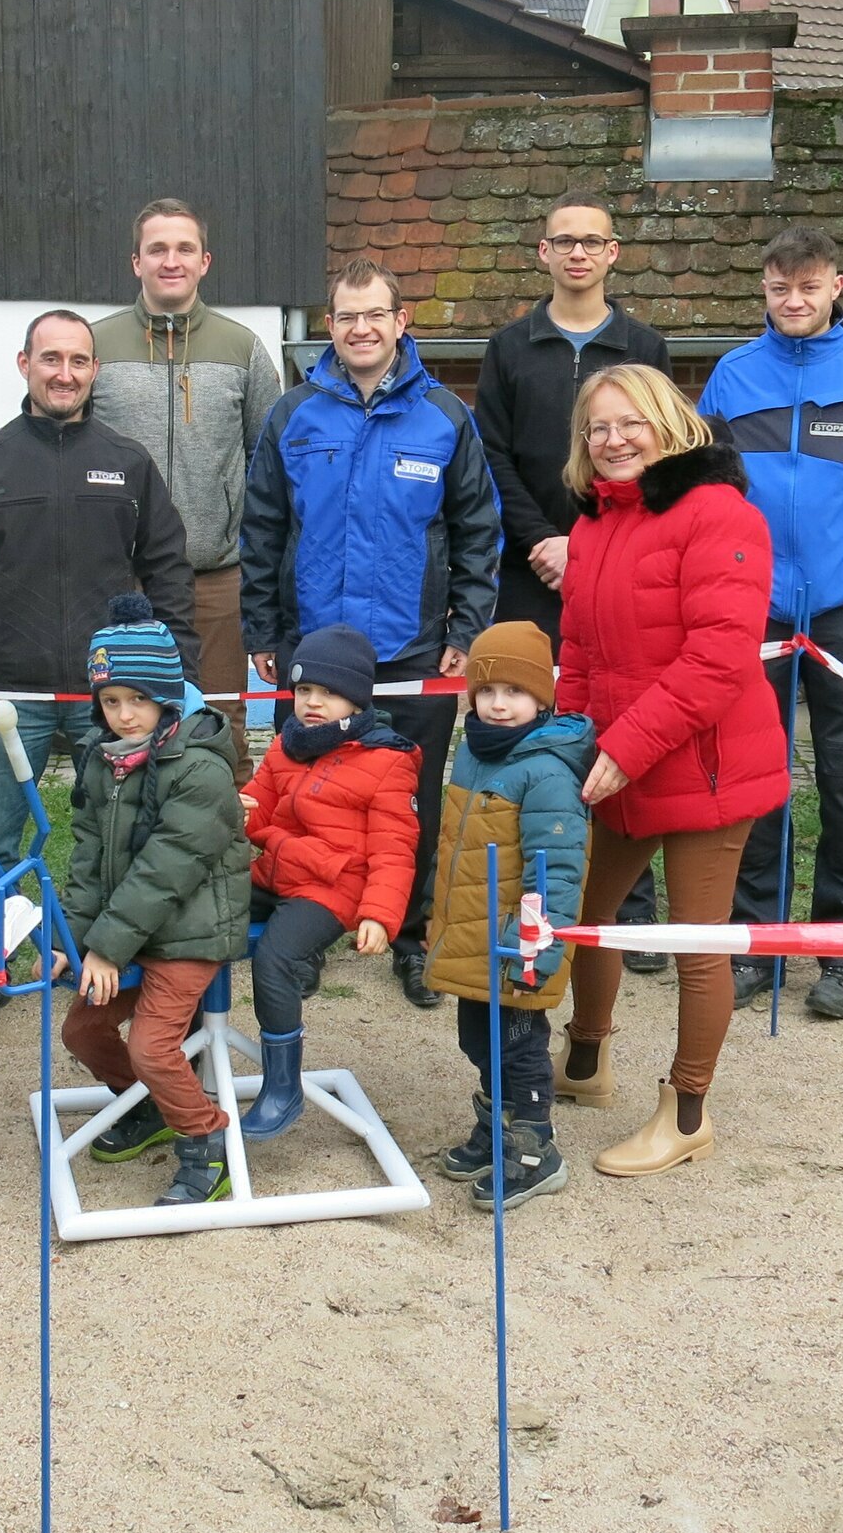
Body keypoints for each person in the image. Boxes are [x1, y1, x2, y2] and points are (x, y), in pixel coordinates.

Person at [0, 309, 197, 1042]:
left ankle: (108, 959)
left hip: (109, 696)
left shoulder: (127, 459)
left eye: (79, 361)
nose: (65, 373)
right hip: (9, 694)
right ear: (24, 365)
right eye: (51, 359)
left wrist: (172, 677)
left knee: (114, 831)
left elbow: (168, 569)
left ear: (93, 371)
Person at [241, 257, 502, 1011]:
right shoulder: (294, 415)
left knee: (409, 802)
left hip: (413, 649)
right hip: (314, 651)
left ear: (400, 321)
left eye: (374, 315)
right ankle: (308, 928)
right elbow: (261, 528)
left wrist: (467, 624)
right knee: (304, 801)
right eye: (347, 316)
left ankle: (411, 934)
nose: (361, 329)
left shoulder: (445, 417)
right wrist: (263, 625)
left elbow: (477, 530)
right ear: (331, 324)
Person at [556, 365, 789, 1175]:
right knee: (587, 913)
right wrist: (568, 739)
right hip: (619, 761)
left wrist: (626, 746)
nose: (614, 440)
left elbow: (717, 658)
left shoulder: (722, 514)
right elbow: (580, 649)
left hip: (707, 768)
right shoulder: (593, 525)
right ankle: (585, 1063)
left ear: (667, 422)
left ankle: (686, 1109)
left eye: (629, 423)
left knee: (697, 944)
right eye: (597, 428)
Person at [699, 227, 843, 1022]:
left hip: (842, 618)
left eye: (807, 287)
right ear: (762, 289)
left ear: (838, 285)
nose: (792, 302)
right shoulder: (732, 376)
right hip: (750, 616)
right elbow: (703, 493)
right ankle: (755, 944)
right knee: (753, 785)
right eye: (777, 288)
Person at [473, 192, 672, 965]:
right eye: (565, 241)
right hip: (533, 569)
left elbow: (655, 454)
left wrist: (599, 546)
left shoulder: (643, 345)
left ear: (613, 253)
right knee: (531, 725)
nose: (578, 253)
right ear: (544, 253)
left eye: (592, 241)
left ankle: (631, 910)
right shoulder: (509, 347)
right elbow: (488, 456)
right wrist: (546, 540)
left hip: (624, 562)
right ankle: (528, 891)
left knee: (626, 714)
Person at [59, 596, 249, 1209]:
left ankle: (206, 1143)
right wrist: (74, 942)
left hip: (192, 930)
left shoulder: (200, 767)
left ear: (166, 697)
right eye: (111, 701)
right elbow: (87, 856)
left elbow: (166, 872)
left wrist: (108, 947)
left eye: (137, 699)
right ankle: (148, 1105)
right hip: (133, 930)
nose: (123, 714)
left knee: (152, 1045)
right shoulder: (102, 759)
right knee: (83, 1031)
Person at [92, 199, 283, 783]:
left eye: (183, 249)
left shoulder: (243, 348)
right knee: (123, 726)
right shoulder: (95, 347)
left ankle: (231, 859)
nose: (169, 261)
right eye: (157, 249)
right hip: (121, 578)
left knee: (219, 727)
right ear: (135, 262)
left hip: (214, 577)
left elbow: (268, 460)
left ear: (204, 261)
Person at [423, 621, 595, 1211]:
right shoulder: (471, 754)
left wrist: (537, 949)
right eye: (488, 690)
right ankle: (496, 1130)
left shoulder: (546, 771)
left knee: (517, 1044)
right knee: (480, 1039)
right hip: (472, 935)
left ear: (541, 698)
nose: (499, 704)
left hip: (516, 945)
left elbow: (557, 872)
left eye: (515, 693)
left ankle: (533, 1148)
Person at [238, 623, 421, 1139]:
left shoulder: (388, 761)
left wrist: (380, 915)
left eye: (329, 693)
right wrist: (232, 813)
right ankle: (178, 1054)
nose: (312, 703)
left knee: (276, 958)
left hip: (331, 888)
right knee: (194, 911)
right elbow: (256, 811)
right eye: (303, 691)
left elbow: (394, 848)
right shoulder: (285, 745)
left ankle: (282, 1086)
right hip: (275, 873)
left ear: (358, 701)